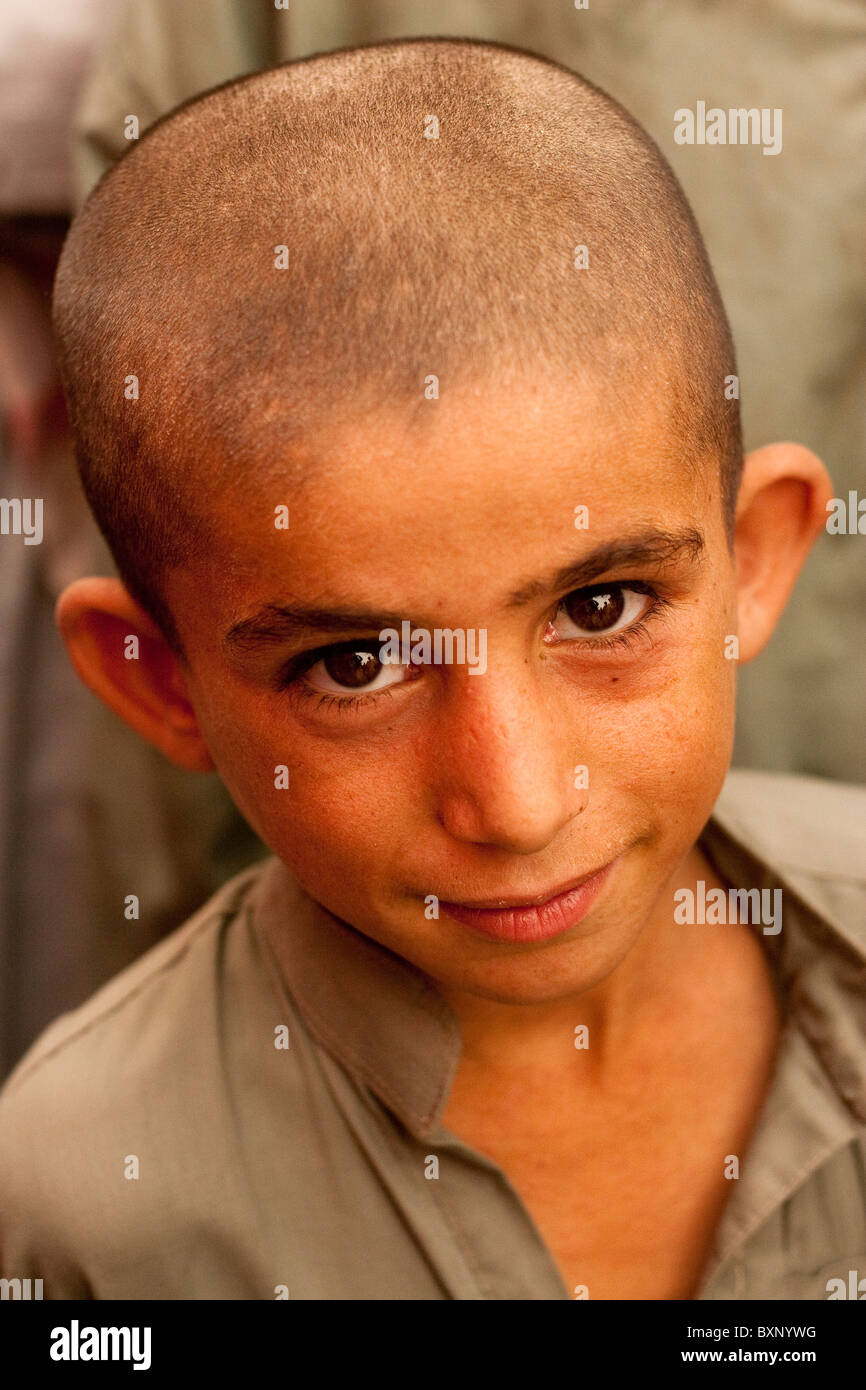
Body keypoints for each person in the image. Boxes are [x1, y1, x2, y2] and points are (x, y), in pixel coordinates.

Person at [0, 38, 863, 1301]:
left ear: (754, 557)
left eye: (601, 605)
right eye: (353, 666)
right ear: (159, 683)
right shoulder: (82, 1205)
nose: (515, 804)